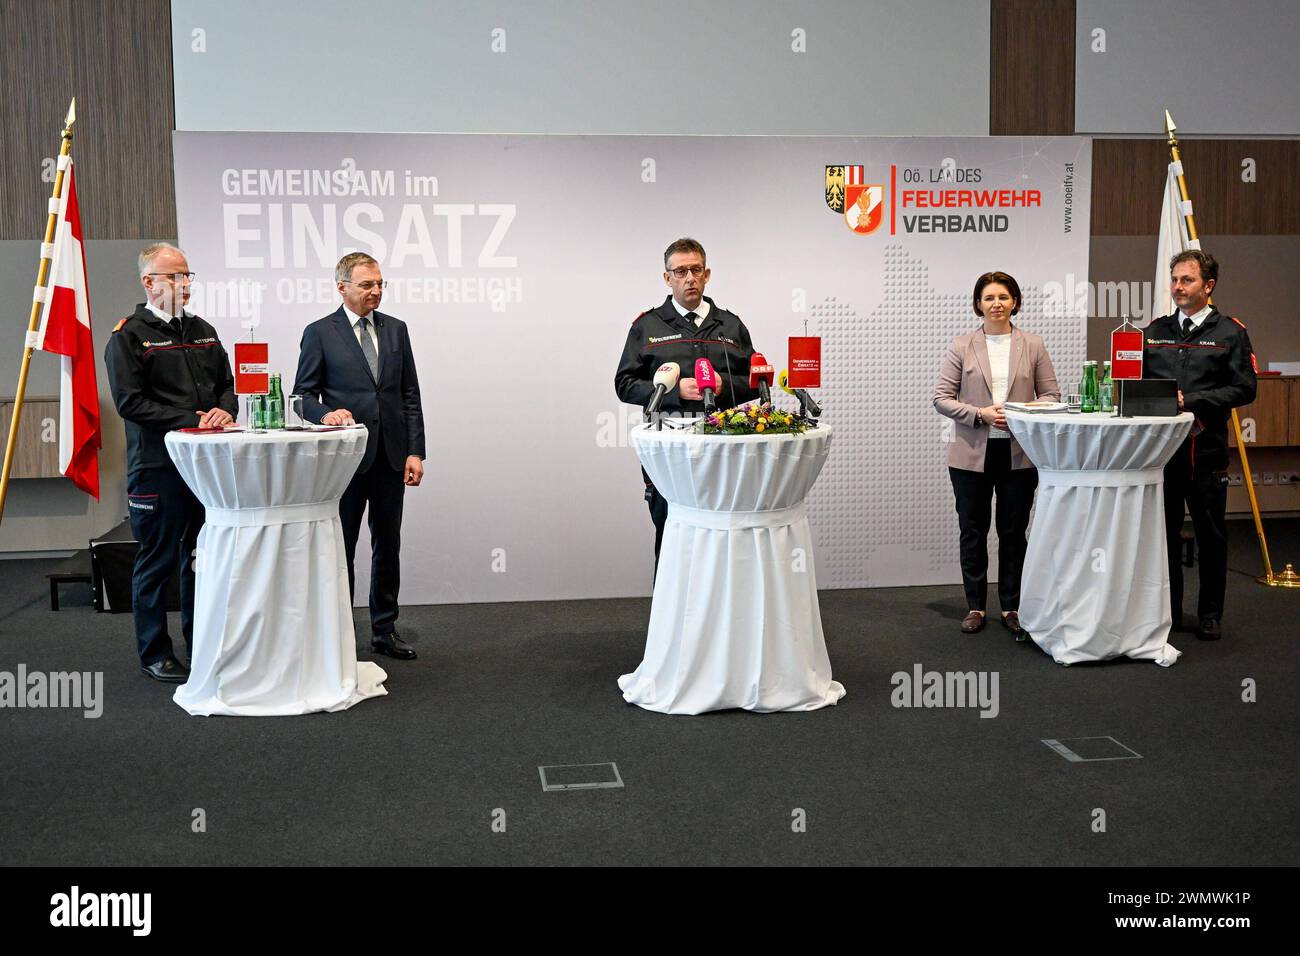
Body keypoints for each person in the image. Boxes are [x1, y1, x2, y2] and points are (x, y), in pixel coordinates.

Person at [104, 243, 237, 682]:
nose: (185, 284)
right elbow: (130, 403)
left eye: (187, 276)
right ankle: (154, 652)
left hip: (206, 467)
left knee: (201, 557)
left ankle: (200, 644)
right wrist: (193, 420)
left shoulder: (203, 329)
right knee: (156, 561)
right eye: (175, 276)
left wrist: (225, 411)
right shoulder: (128, 335)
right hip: (157, 467)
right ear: (149, 282)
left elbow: (226, 385)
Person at [293, 252, 426, 660]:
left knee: (388, 545)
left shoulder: (396, 330)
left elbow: (409, 394)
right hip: (345, 461)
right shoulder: (320, 332)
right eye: (367, 284)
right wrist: (325, 413)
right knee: (342, 548)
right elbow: (301, 397)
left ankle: (384, 630)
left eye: (380, 283)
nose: (376, 291)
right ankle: (340, 632)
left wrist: (415, 451)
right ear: (342, 287)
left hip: (390, 457)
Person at [614, 238, 760, 565]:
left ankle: (720, 614)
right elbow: (624, 384)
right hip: (669, 449)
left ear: (707, 274)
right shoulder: (647, 326)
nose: (689, 278)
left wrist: (725, 387)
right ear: (667, 278)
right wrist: (674, 392)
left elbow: (756, 384)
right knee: (671, 535)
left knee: (723, 536)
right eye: (680, 271)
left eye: (695, 270)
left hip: (723, 449)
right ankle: (671, 615)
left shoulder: (731, 325)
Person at [933, 271, 1060, 638]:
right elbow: (941, 398)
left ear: (1015, 302)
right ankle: (975, 606)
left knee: (1013, 532)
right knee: (972, 531)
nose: (996, 304)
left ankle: (1011, 606)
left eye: (1004, 296)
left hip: (1019, 454)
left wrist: (1020, 412)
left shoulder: (1033, 344)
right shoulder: (961, 346)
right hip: (971, 455)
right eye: (989, 297)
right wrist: (980, 414)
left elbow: (1052, 396)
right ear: (978, 304)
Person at [1143, 250, 1257, 640]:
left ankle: (1210, 614)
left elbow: (1245, 388)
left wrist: (1190, 402)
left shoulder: (1230, 332)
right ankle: (1169, 613)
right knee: (1164, 537)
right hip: (1161, 455)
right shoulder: (1154, 331)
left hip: (1206, 453)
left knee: (1211, 536)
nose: (1177, 287)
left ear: (1208, 286)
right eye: (1174, 279)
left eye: (1187, 280)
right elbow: (1137, 387)